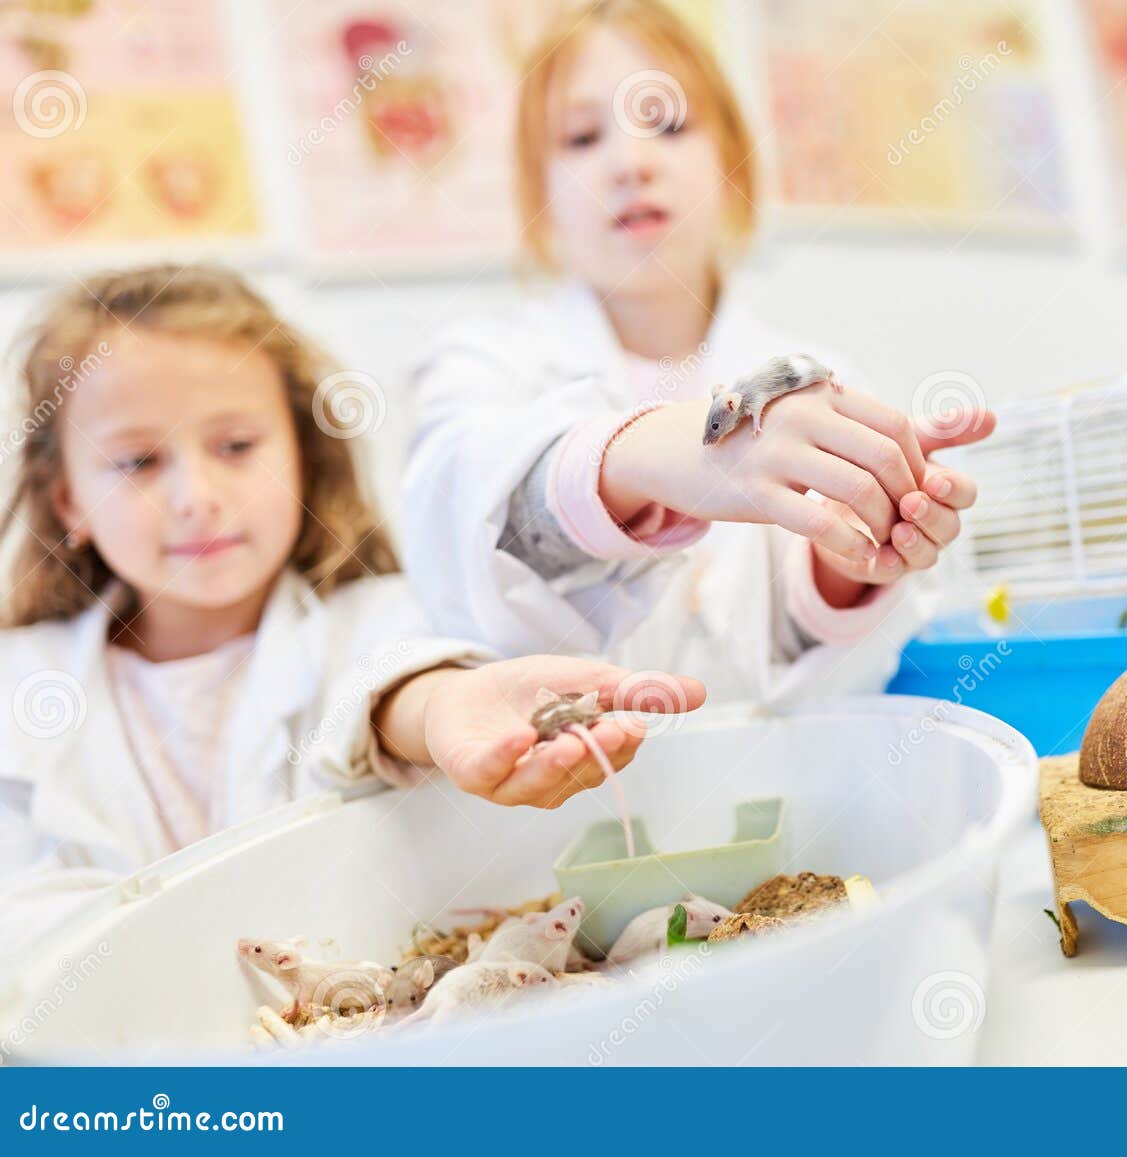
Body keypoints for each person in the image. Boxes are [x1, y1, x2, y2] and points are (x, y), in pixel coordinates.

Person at [0, 264, 704, 950]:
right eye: (138, 462)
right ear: (69, 501)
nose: (197, 497)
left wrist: (441, 707)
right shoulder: (21, 683)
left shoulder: (379, 621)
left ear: (303, 454)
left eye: (237, 446)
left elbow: (389, 690)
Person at [402, 0, 995, 701]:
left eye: (670, 124)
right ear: (538, 191)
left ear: (734, 165)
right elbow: (457, 514)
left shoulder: (816, 383)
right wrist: (635, 459)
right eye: (583, 137)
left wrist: (856, 565)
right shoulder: (483, 367)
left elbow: (834, 664)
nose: (630, 162)